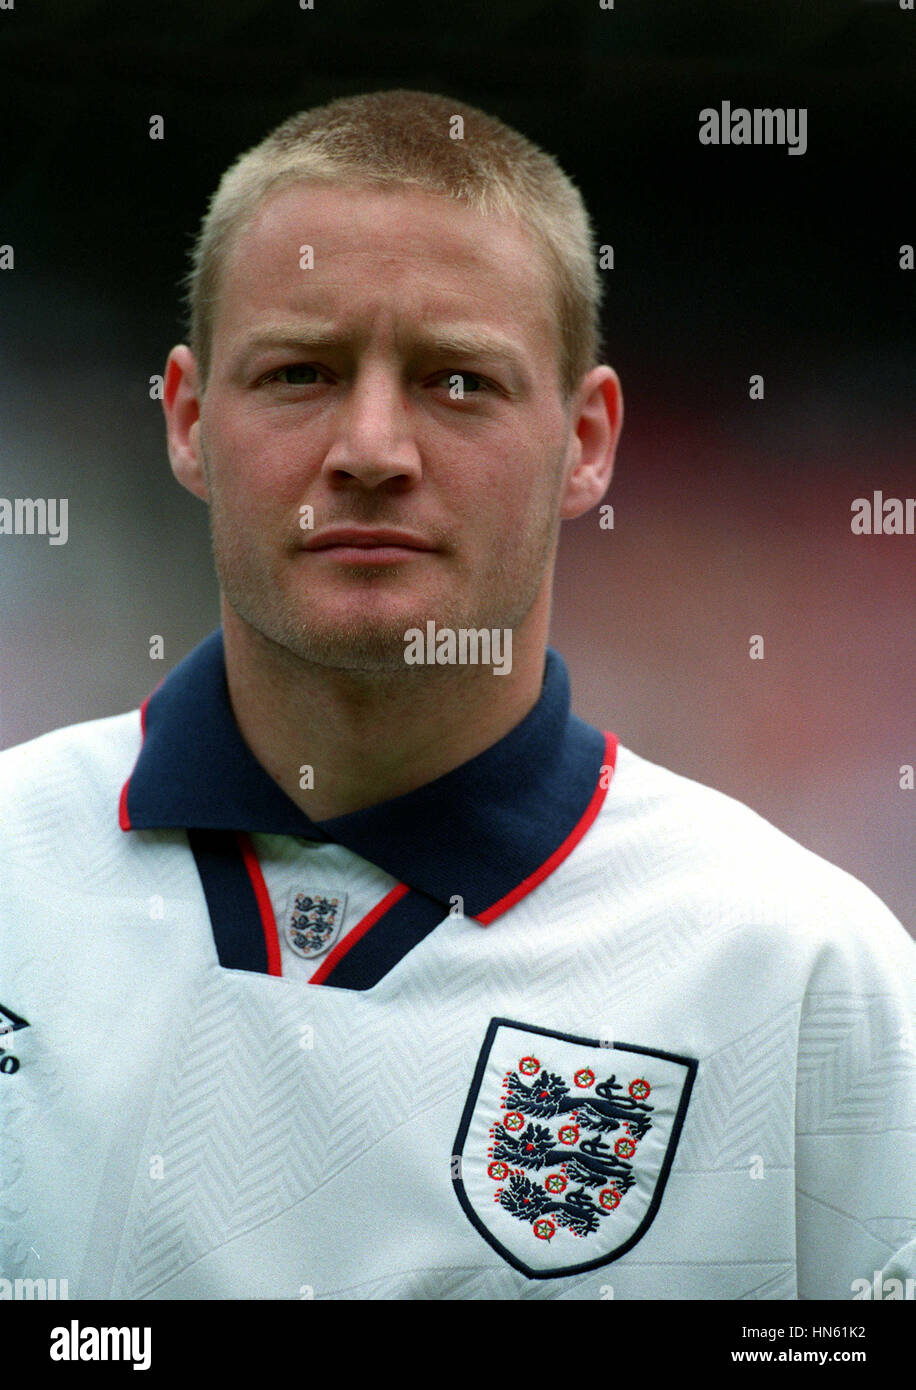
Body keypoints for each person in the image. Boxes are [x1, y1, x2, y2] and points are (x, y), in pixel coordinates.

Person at [1, 89, 913, 1300]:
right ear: (186, 418)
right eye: (300, 371)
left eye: (456, 381)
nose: (372, 448)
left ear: (585, 440)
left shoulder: (801, 974)